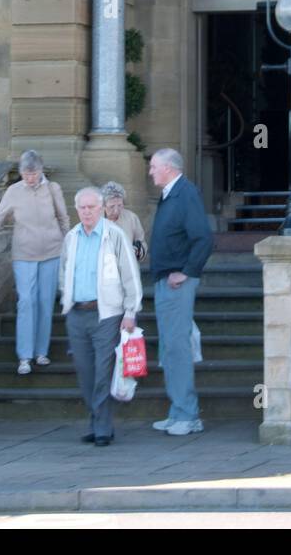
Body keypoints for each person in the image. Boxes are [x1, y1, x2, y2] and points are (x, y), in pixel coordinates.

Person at [0, 150, 68, 376]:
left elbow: (63, 218)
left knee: (45, 302)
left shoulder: (53, 189)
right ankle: (25, 356)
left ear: (41, 170)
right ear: (21, 173)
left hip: (52, 251)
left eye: (34, 173)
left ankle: (41, 352)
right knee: (27, 301)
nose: (30, 178)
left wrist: (70, 247)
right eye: (26, 174)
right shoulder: (13, 192)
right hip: (24, 254)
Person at [59, 187, 143, 446]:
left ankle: (103, 428)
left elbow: (130, 275)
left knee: (103, 372)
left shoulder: (114, 235)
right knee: (85, 372)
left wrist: (131, 312)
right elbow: (63, 271)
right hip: (77, 312)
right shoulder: (71, 237)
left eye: (92, 207)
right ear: (77, 210)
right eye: (82, 208)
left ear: (101, 208)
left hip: (107, 314)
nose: (86, 212)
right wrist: (67, 297)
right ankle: (96, 420)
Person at [148, 148, 214, 436]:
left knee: (177, 348)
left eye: (153, 166)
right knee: (170, 348)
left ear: (169, 168)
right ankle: (178, 411)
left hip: (177, 282)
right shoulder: (170, 195)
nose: (150, 171)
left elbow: (203, 238)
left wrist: (186, 272)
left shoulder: (184, 193)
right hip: (165, 280)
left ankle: (188, 415)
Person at [101, 181, 147, 262]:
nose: (116, 211)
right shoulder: (96, 220)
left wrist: (137, 251)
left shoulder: (132, 218)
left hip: (127, 267)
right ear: (103, 206)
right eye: (111, 206)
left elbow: (142, 243)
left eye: (120, 205)